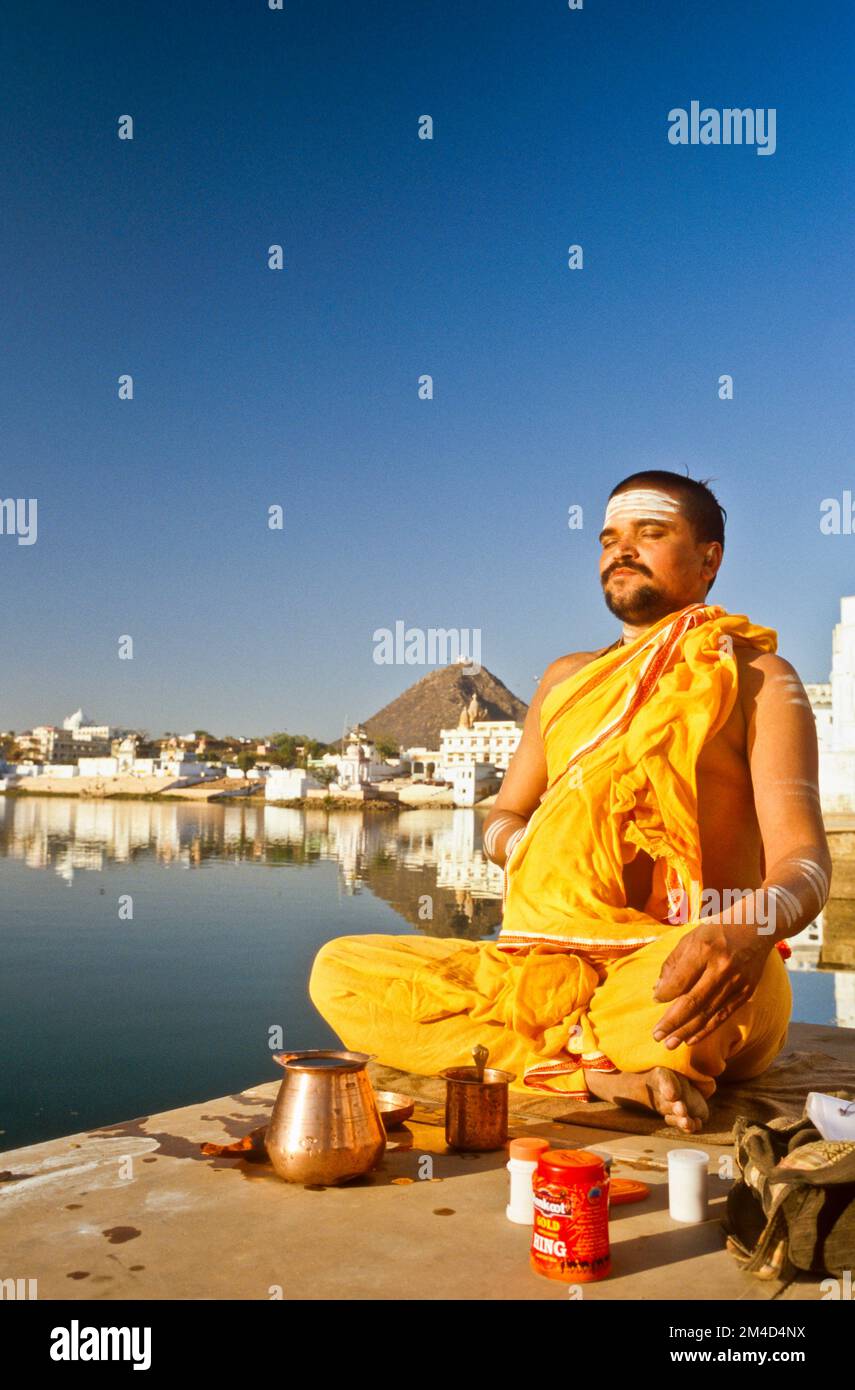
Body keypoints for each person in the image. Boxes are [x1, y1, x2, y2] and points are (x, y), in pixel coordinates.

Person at [309, 471, 831, 1133]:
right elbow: (504, 818)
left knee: (680, 1021)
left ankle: (578, 1053)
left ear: (709, 559)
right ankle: (595, 1073)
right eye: (609, 538)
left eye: (650, 532)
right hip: (552, 962)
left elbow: (805, 867)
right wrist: (545, 852)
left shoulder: (756, 678)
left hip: (688, 957)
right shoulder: (566, 679)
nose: (621, 550)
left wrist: (743, 934)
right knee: (343, 973)